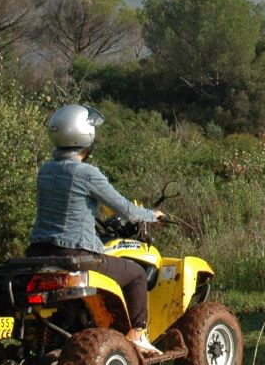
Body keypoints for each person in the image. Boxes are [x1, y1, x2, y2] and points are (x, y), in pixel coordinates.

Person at [28, 104, 164, 356]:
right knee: (135, 274)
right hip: (76, 255)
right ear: (85, 136)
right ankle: (137, 335)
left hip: (38, 252)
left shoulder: (45, 170)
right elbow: (126, 209)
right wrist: (152, 215)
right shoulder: (87, 173)